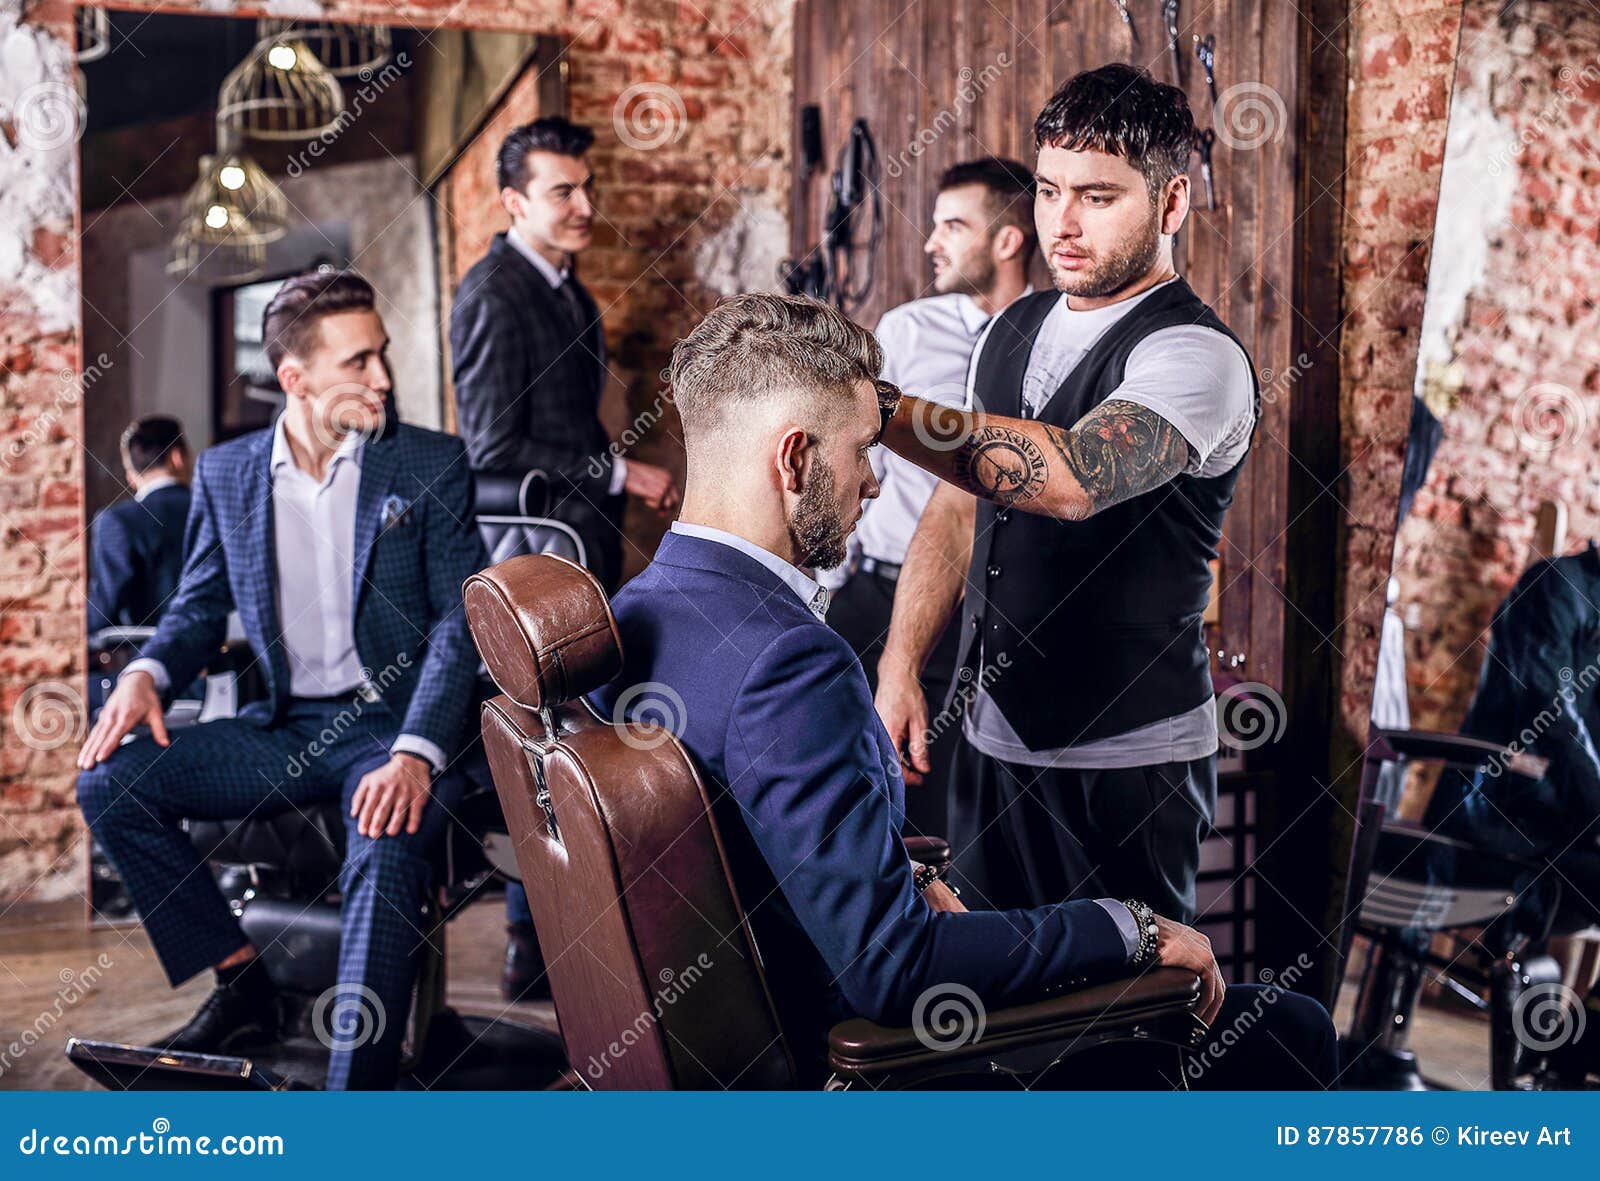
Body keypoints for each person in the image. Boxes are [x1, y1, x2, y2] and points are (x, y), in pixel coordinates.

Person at [588, 292, 1334, 1088]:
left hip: (758, 1037)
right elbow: (893, 966)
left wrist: (897, 875)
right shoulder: (792, 663)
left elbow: (751, 848)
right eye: (862, 449)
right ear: (794, 459)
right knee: (1289, 1027)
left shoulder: (633, 614)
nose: (873, 481)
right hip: (871, 1065)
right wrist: (1133, 927)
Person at [76, 270, 490, 1090]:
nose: (382, 377)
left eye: (382, 354)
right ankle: (243, 983)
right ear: (293, 379)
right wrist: (149, 672)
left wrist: (415, 750)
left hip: (391, 725)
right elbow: (199, 603)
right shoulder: (228, 474)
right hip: (288, 726)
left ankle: (353, 1094)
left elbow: (460, 621)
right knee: (107, 784)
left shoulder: (428, 461)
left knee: (384, 824)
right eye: (358, 360)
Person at [873, 64, 1259, 924]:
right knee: (990, 1006)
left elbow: (1074, 477)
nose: (1063, 223)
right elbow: (959, 501)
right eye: (1049, 192)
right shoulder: (1012, 327)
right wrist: (900, 664)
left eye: (1097, 196)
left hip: (1129, 760)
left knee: (1120, 1026)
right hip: (989, 733)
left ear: (1170, 205)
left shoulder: (1198, 357)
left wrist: (876, 407)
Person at [449, 117, 680, 995]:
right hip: (536, 556)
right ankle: (532, 941)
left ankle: (558, 934)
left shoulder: (565, 287)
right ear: (514, 202)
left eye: (587, 188)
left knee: (575, 731)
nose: (584, 206)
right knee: (547, 734)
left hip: (581, 550)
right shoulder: (494, 293)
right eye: (562, 192)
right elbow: (491, 450)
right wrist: (622, 466)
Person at [825, 157, 1035, 840]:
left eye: (952, 225)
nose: (930, 242)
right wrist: (823, 585)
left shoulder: (1050, 339)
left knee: (937, 805)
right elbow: (853, 456)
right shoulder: (907, 330)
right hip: (874, 596)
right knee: (842, 790)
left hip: (979, 615)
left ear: (1006, 241)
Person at [87, 415, 192, 634]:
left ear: (131, 477)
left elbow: (104, 610)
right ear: (178, 457)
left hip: (143, 660)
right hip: (225, 655)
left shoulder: (118, 521)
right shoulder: (213, 509)